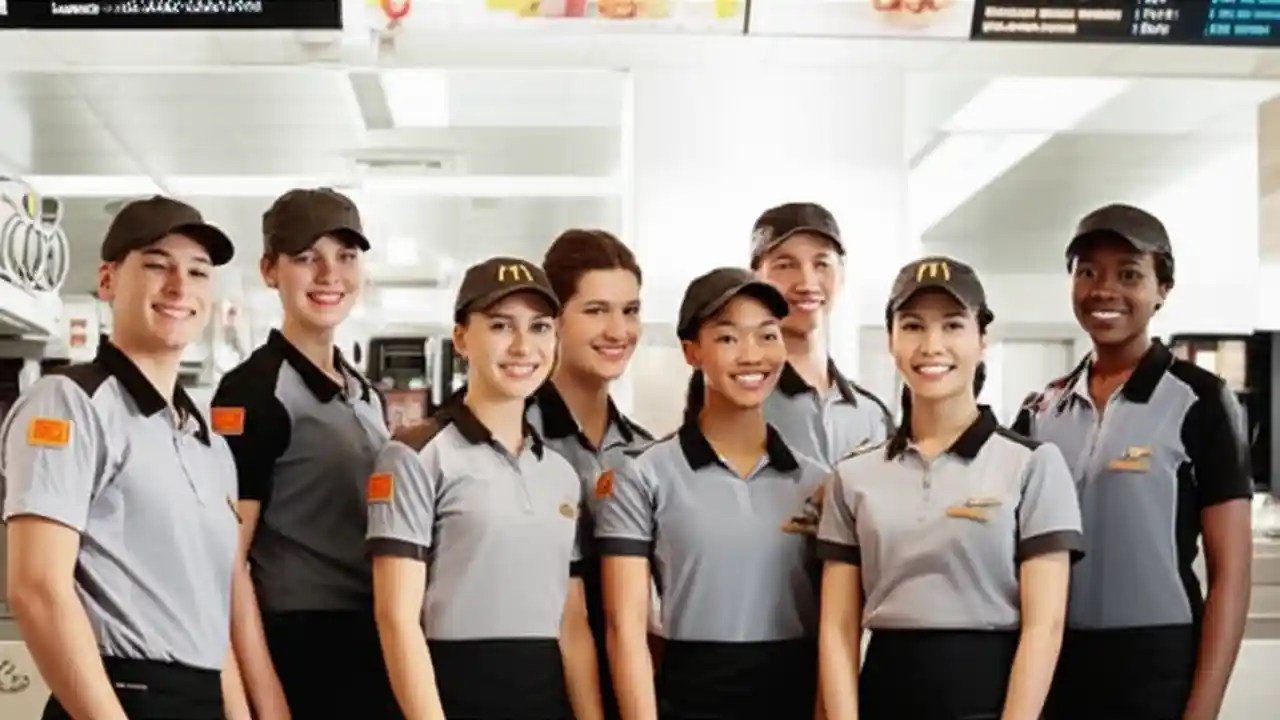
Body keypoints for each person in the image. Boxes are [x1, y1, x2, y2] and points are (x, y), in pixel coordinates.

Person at [1, 196, 248, 719]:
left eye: (198, 272)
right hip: (122, 695)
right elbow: (37, 588)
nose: (180, 287)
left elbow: (210, 617)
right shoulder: (70, 403)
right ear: (109, 281)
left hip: (200, 697)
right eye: (157, 266)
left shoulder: (211, 446)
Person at [1012, 204, 1254, 720]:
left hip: (1158, 665)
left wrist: (1203, 709)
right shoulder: (1041, 410)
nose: (1104, 289)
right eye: (1088, 271)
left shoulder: (1201, 400)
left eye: (1128, 273)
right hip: (1056, 662)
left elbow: (1230, 574)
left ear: (1161, 289)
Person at [818, 255, 1083, 720]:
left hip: (989, 699)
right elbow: (838, 629)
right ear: (891, 341)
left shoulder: (1032, 465)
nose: (932, 345)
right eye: (914, 326)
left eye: (953, 326)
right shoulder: (853, 476)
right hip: (884, 694)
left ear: (983, 339)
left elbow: (1045, 626)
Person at [366, 256, 602, 720]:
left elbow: (572, 625)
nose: (522, 346)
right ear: (461, 339)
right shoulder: (414, 455)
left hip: (545, 698)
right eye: (500, 325)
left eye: (539, 327)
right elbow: (396, 619)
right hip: (452, 696)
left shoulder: (560, 473)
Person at [597, 267, 830, 720]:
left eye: (767, 336)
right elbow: (624, 628)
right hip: (691, 695)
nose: (751, 355)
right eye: (727, 338)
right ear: (692, 352)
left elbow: (836, 629)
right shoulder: (644, 475)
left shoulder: (819, 482)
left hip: (794, 694)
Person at [210, 188, 396, 719]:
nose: (328, 274)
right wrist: (266, 700)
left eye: (345, 256)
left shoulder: (366, 394)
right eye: (305, 258)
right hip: (300, 645)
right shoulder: (254, 392)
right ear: (270, 271)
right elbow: (225, 561)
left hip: (371, 639)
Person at [529, 229, 654, 720]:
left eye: (630, 310)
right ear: (554, 320)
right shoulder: (516, 439)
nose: (618, 330)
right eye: (596, 310)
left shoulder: (645, 452)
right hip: (533, 687)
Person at [749, 201, 893, 466]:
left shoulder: (872, 415)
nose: (807, 283)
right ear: (755, 280)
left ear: (842, 275)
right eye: (785, 265)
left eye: (822, 264)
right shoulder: (736, 402)